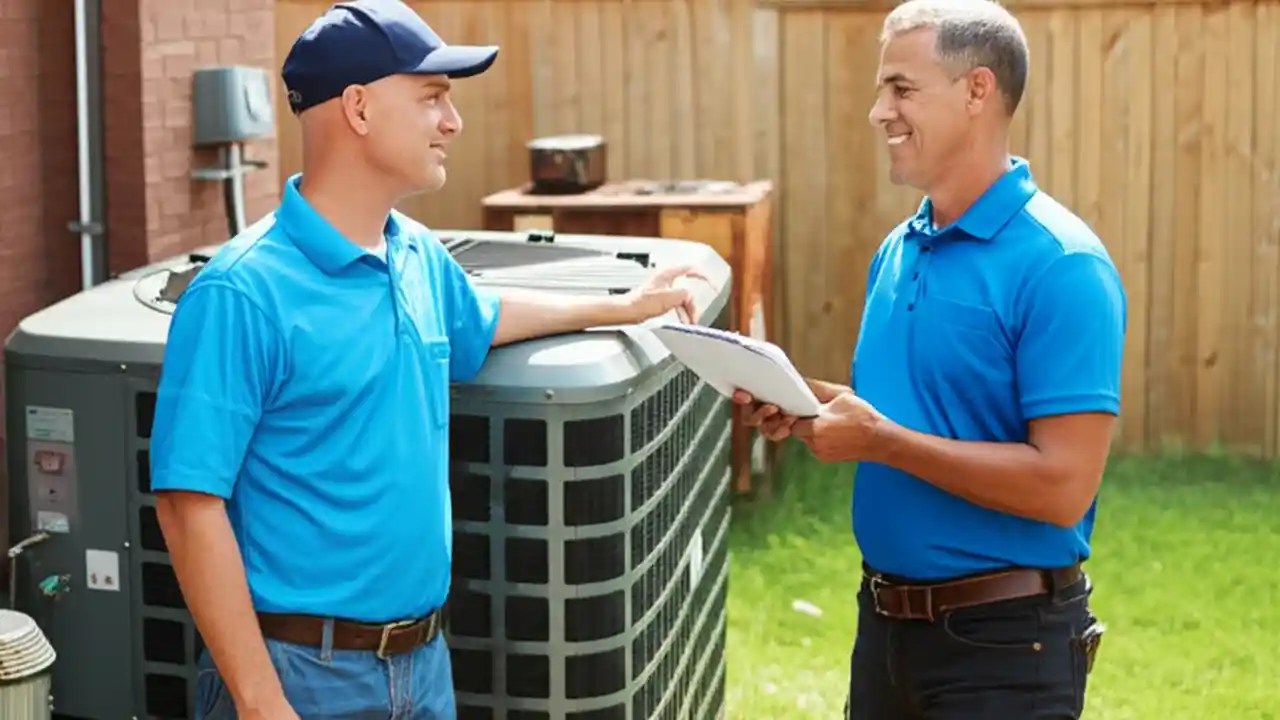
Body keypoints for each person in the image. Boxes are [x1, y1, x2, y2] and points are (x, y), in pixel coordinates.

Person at [149, 2, 704, 718]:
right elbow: (188, 503)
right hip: (299, 675)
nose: (454, 122)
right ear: (358, 108)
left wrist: (622, 306)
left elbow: (484, 318)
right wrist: (259, 702)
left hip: (422, 666)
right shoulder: (242, 293)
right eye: (432, 97)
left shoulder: (415, 253)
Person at [735, 1, 1125, 717]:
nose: (878, 112)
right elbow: (917, 416)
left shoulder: (1063, 266)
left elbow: (1062, 486)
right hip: (884, 630)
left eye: (901, 88)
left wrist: (880, 441)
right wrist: (804, 400)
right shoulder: (898, 249)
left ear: (977, 90)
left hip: (1004, 651)